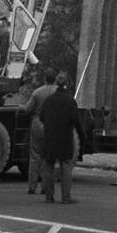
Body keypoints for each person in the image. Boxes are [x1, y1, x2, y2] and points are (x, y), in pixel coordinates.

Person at [41, 71, 85, 205]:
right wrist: (83, 137)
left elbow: (42, 117)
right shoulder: (70, 100)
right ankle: (66, 197)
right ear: (67, 84)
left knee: (48, 165)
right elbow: (76, 121)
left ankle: (49, 196)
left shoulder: (49, 100)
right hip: (65, 136)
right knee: (65, 165)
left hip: (50, 136)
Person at [21, 67, 58, 195]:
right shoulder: (58, 92)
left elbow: (27, 109)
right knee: (48, 158)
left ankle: (32, 186)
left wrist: (21, 106)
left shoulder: (37, 92)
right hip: (53, 125)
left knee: (35, 156)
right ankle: (45, 187)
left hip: (37, 124)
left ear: (44, 79)